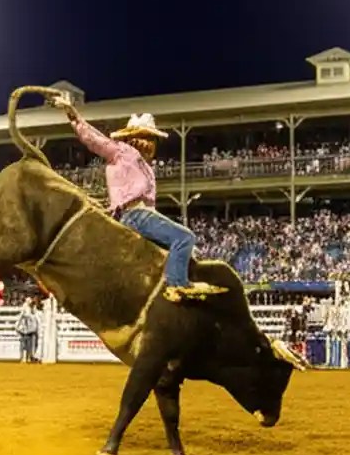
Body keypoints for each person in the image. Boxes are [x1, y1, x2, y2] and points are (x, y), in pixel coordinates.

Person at [51, 92, 226, 303]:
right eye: (148, 138)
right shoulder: (122, 152)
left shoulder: (143, 166)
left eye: (151, 139)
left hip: (139, 214)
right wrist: (72, 112)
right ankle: (176, 284)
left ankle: (170, 285)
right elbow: (92, 138)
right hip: (136, 215)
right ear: (137, 139)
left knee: (182, 250)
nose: (150, 144)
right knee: (184, 238)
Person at [16, 296, 41, 363]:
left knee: (30, 345)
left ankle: (29, 357)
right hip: (26, 330)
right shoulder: (26, 309)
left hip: (31, 330)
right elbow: (22, 317)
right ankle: (26, 358)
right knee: (25, 345)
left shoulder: (33, 309)